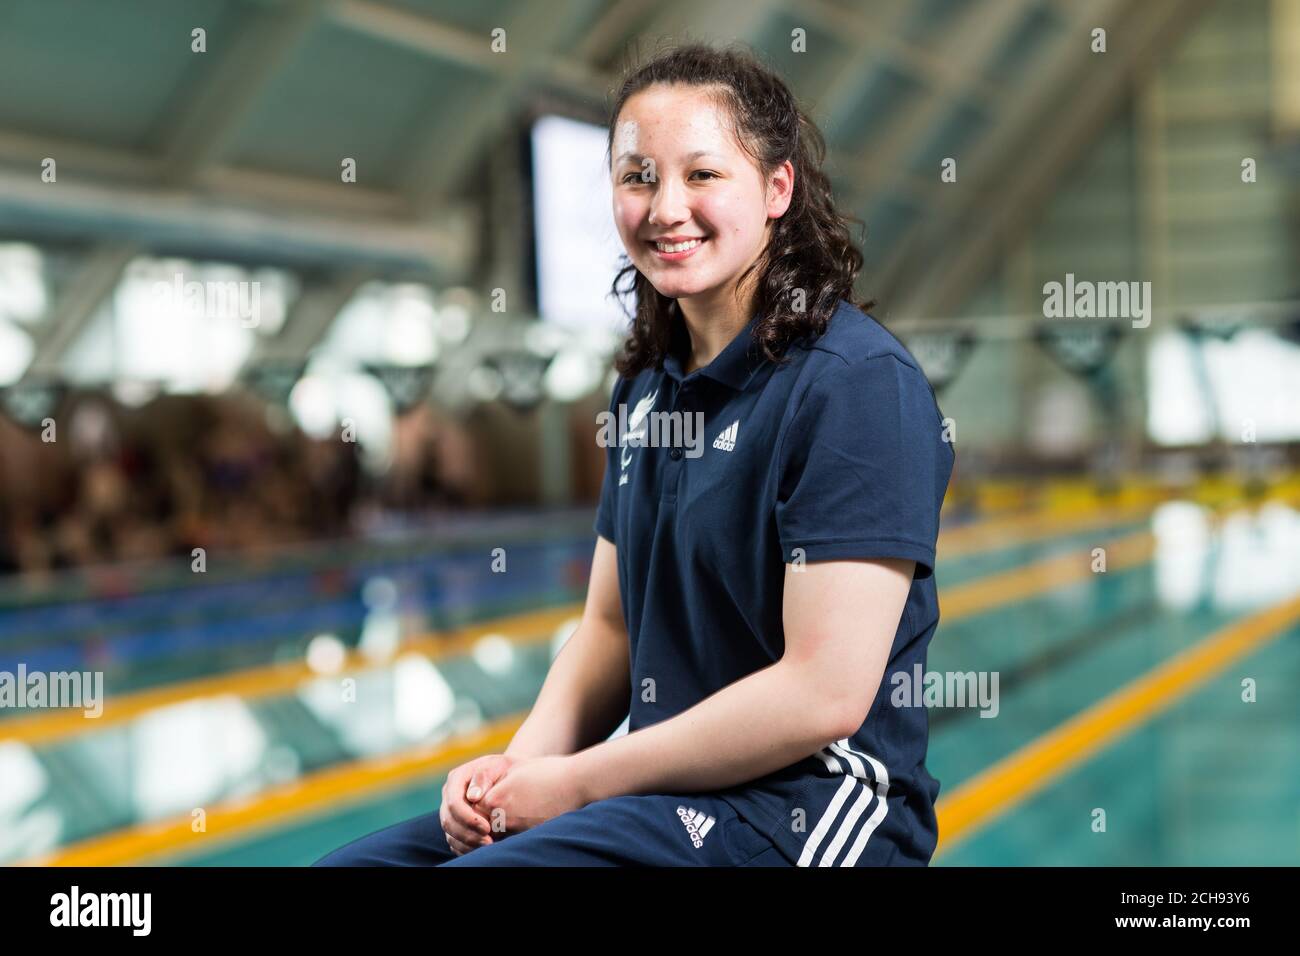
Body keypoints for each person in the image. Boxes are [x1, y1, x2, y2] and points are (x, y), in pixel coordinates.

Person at [315, 41, 954, 868]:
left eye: (702, 175)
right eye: (638, 176)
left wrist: (579, 783)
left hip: (810, 807)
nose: (665, 207)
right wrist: (516, 773)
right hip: (658, 800)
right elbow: (608, 631)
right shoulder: (647, 390)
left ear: (776, 189)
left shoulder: (857, 387)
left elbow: (822, 696)